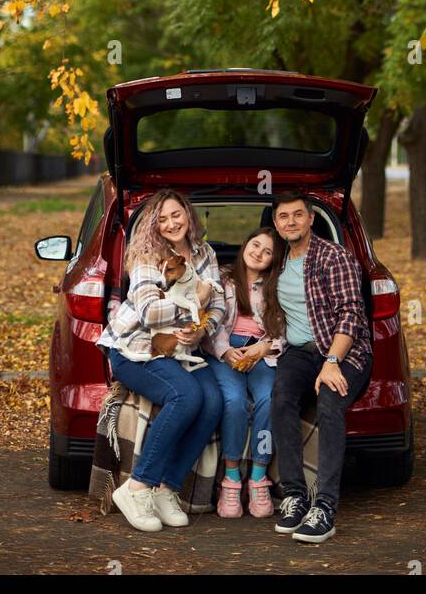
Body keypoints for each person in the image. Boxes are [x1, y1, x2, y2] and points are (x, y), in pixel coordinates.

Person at [94, 187, 224, 533]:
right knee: (186, 395)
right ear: (153, 224)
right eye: (162, 218)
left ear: (188, 214)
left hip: (184, 351)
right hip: (135, 349)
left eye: (176, 214)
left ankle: (167, 487)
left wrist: (202, 329)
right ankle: (136, 488)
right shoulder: (146, 256)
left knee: (213, 402)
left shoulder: (204, 253)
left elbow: (220, 303)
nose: (170, 223)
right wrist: (194, 303)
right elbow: (150, 313)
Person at [270, 193, 372, 544]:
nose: (291, 221)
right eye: (284, 216)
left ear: (311, 219)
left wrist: (332, 361)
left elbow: (351, 314)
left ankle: (325, 507)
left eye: (298, 214)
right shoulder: (277, 263)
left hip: (344, 350)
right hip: (299, 353)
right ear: (276, 224)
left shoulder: (334, 256)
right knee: (281, 396)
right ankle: (295, 495)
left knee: (330, 399)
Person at [201, 226, 286, 518]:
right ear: (245, 243)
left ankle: (259, 476)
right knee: (234, 401)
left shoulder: (278, 285)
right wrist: (224, 351)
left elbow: (290, 329)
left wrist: (266, 347)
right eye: (256, 244)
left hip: (263, 352)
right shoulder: (222, 279)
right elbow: (208, 324)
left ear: (274, 261)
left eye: (267, 252)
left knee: (268, 398)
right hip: (225, 352)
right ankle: (232, 478)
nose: (258, 253)